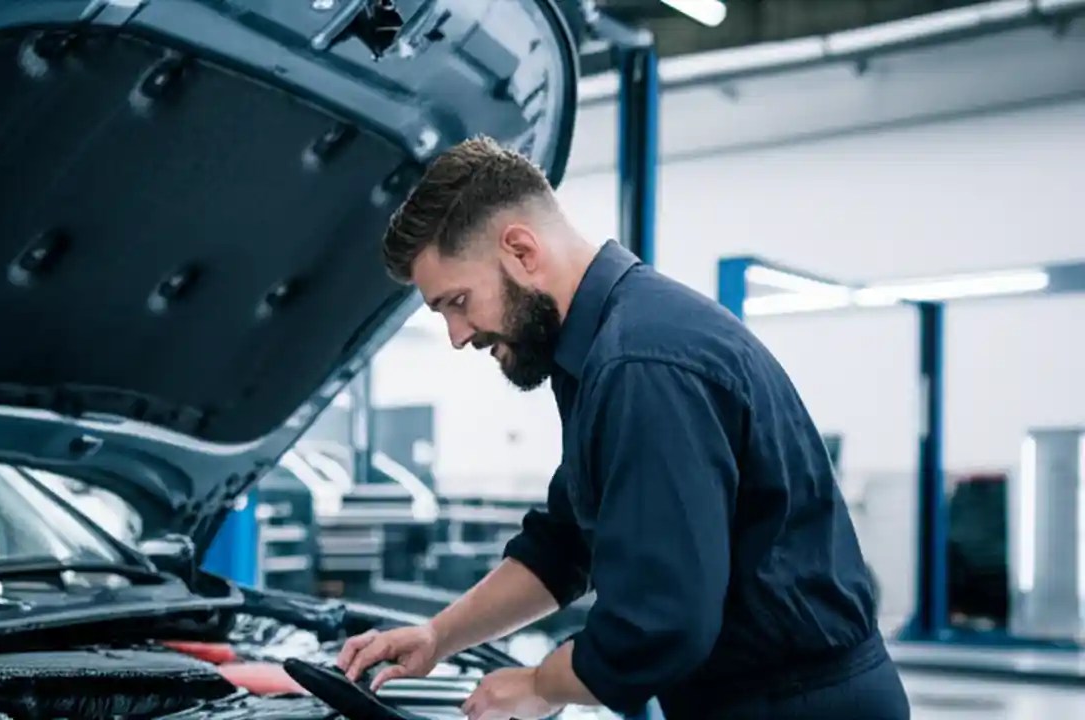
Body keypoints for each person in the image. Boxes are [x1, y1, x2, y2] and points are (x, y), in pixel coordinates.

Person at [336, 136, 910, 720]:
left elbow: (662, 623)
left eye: (457, 301)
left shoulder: (641, 362)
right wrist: (438, 636)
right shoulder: (599, 351)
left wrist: (538, 684)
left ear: (521, 250)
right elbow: (566, 542)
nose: (458, 335)